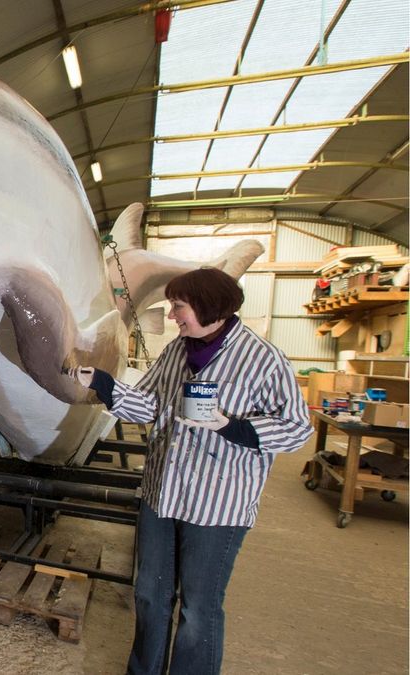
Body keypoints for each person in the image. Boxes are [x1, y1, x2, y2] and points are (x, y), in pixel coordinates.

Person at [69, 267, 311, 675]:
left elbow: (298, 429)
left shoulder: (263, 360)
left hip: (218, 506)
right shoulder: (177, 352)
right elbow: (149, 406)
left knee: (198, 608)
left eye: (178, 307)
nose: (172, 315)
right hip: (162, 495)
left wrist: (230, 426)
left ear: (207, 307)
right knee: (149, 594)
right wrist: (105, 383)